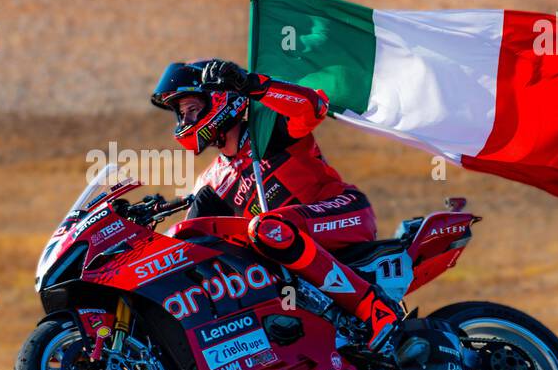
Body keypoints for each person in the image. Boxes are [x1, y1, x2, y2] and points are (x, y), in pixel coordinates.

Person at [150, 59, 403, 354]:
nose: (186, 120)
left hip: (343, 212)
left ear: (218, 98)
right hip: (293, 250)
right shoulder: (211, 183)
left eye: (192, 108)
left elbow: (313, 106)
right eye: (181, 114)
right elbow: (186, 243)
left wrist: (251, 84)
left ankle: (374, 309)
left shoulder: (265, 128)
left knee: (266, 228)